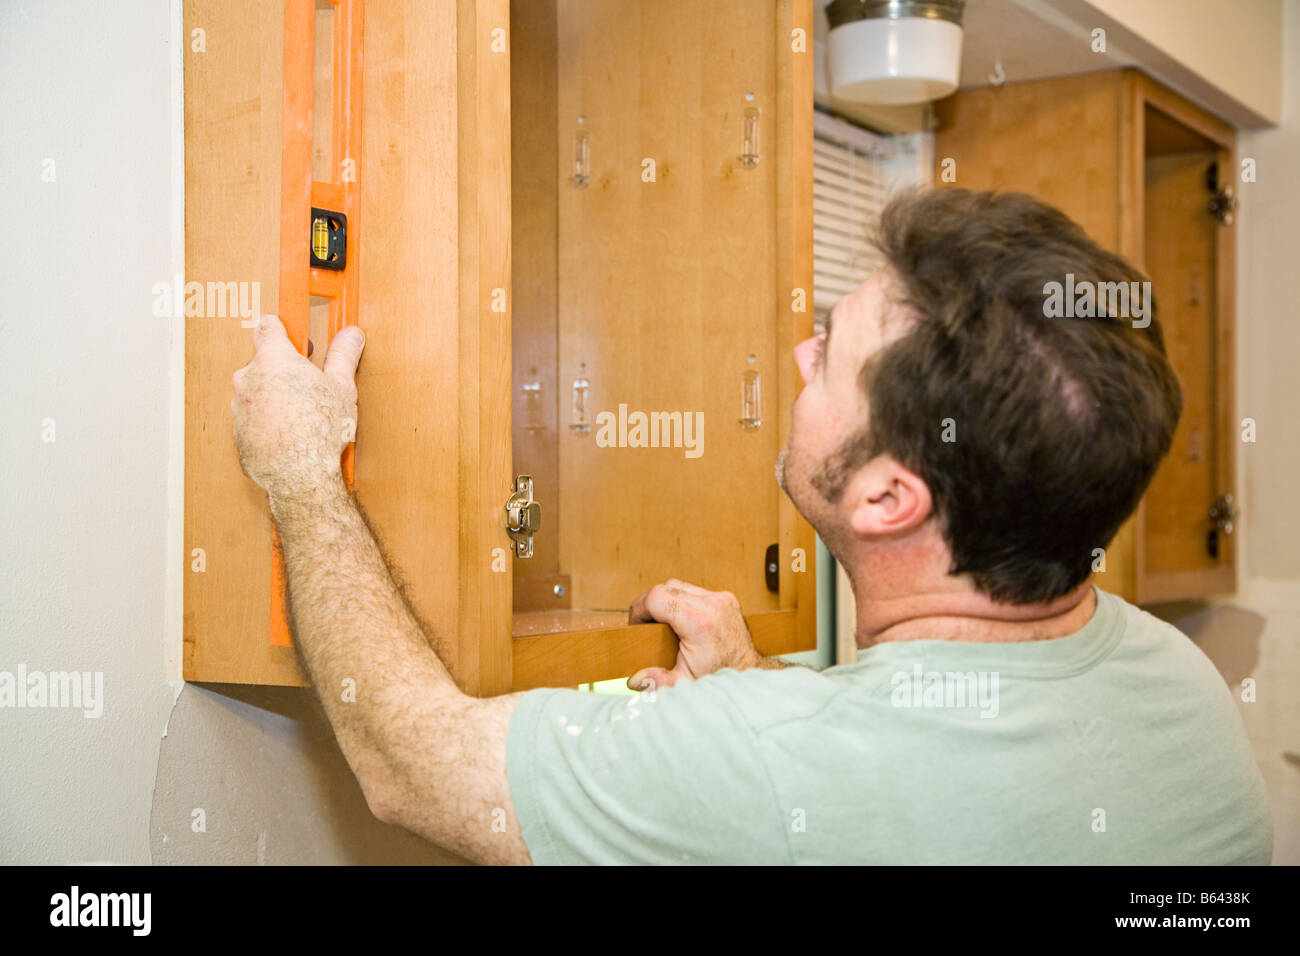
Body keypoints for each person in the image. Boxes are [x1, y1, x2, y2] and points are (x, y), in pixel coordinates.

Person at [230, 187, 1272, 864]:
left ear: (885, 499)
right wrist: (758, 693)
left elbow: (413, 768)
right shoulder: (1177, 682)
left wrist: (301, 476)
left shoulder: (775, 766)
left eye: (830, 345)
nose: (799, 355)